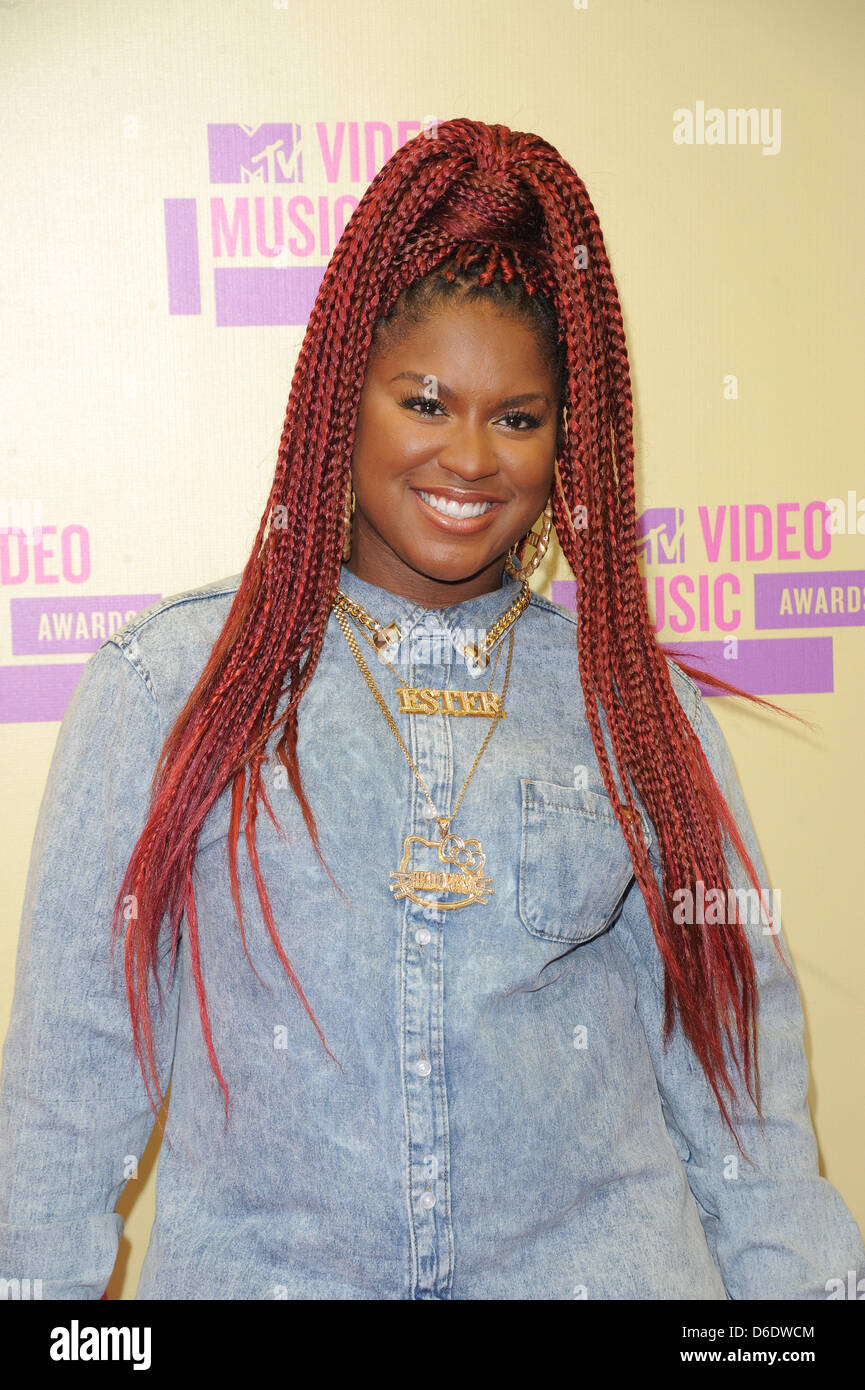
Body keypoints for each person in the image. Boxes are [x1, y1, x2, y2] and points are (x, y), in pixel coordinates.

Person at [1, 117, 862, 1301]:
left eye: (518, 418)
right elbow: (65, 1105)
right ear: (339, 399)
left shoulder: (629, 701)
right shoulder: (169, 685)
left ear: (568, 439)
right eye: (423, 401)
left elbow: (745, 1107)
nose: (471, 458)